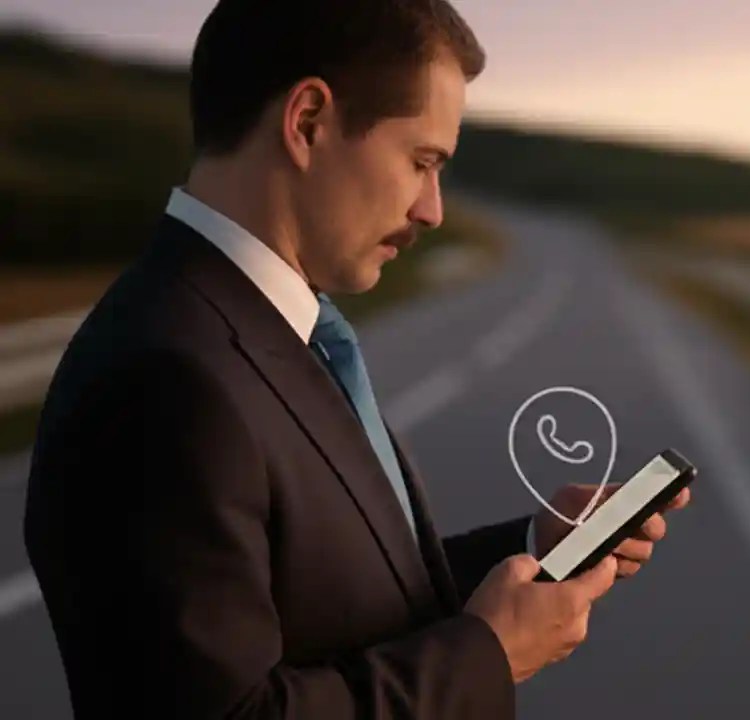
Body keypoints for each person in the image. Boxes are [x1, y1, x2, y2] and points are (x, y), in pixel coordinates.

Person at [21, 1, 692, 718]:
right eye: (421, 162)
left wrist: (530, 549)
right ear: (308, 122)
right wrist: (487, 656)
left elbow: (340, 602)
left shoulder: (263, 328)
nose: (432, 209)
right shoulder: (165, 377)